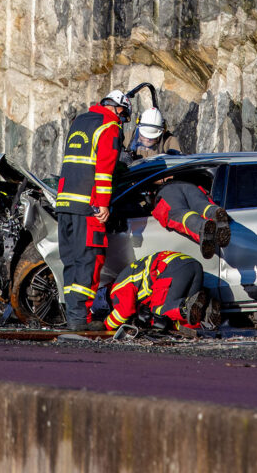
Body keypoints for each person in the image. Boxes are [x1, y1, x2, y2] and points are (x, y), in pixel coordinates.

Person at [56, 90, 131, 331]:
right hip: (89, 206)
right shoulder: (109, 127)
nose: (122, 120)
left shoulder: (80, 121)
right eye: (123, 115)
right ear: (118, 108)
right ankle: (80, 321)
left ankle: (74, 316)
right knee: (89, 260)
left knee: (71, 261)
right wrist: (103, 204)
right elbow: (103, 170)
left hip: (65, 202)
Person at [89, 251, 212, 335]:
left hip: (170, 268)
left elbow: (124, 311)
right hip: (189, 264)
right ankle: (207, 310)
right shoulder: (125, 278)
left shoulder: (116, 289)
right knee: (189, 317)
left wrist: (106, 325)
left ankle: (186, 307)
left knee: (160, 313)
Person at [151, 180, 230, 259]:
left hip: (166, 191)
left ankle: (201, 227)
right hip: (190, 186)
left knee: (180, 213)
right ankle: (215, 212)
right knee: (202, 205)